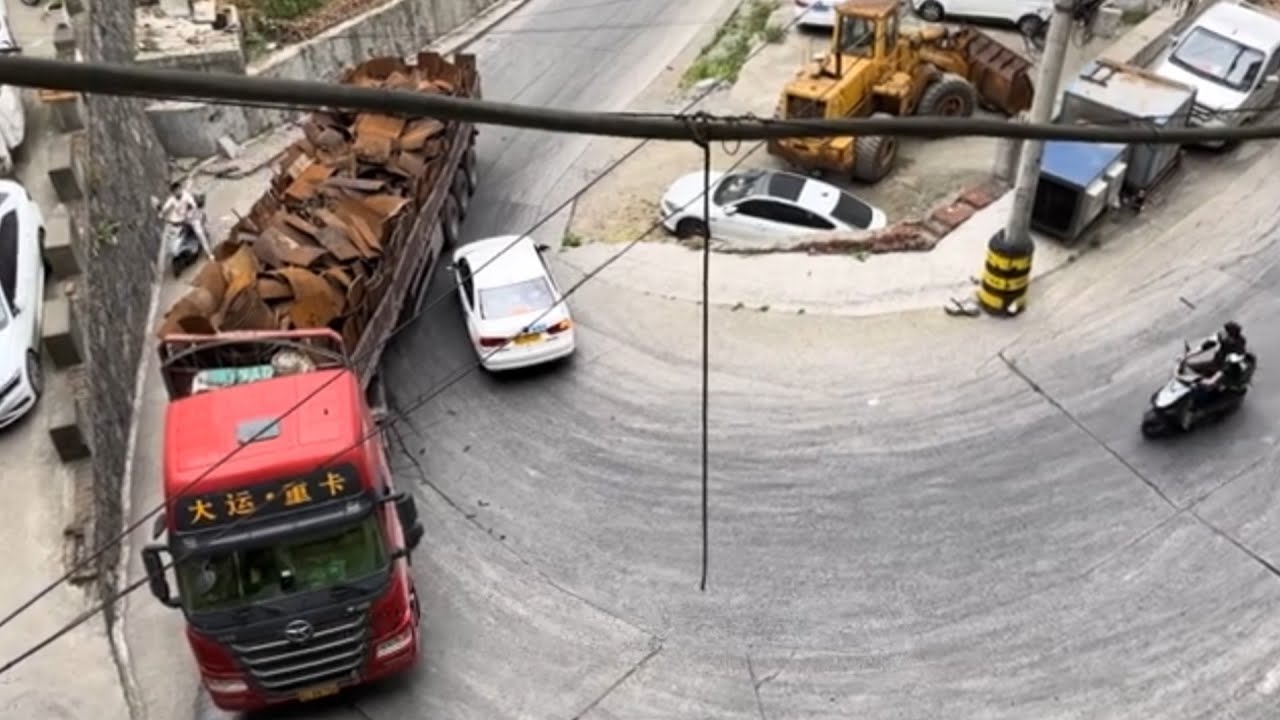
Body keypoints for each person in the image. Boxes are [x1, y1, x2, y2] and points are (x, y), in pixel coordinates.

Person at [159, 181, 212, 259]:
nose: (177, 192)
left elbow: (193, 205)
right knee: (174, 244)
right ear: (173, 193)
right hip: (181, 220)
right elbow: (165, 207)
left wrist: (191, 213)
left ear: (180, 189)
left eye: (178, 190)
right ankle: (186, 249)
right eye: (175, 191)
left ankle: (209, 253)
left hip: (191, 217)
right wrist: (161, 212)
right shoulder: (172, 200)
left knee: (200, 233)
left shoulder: (186, 196)